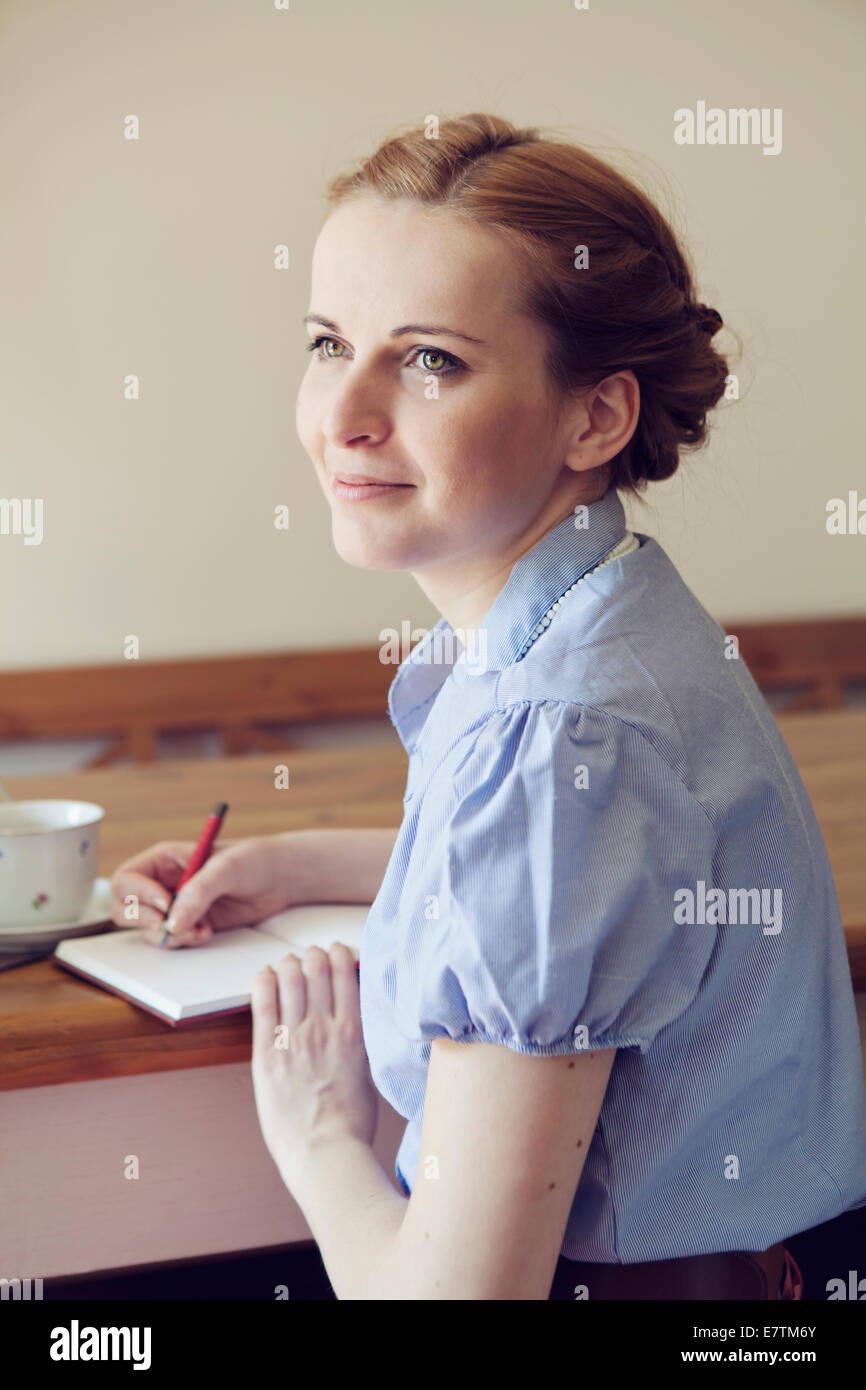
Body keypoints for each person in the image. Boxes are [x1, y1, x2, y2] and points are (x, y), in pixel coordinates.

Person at [108, 113, 865, 1300]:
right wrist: (301, 861)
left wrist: (318, 1136)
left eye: (429, 361)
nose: (343, 412)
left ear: (595, 417)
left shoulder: (558, 735)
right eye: (326, 341)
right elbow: (605, 884)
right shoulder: (613, 619)